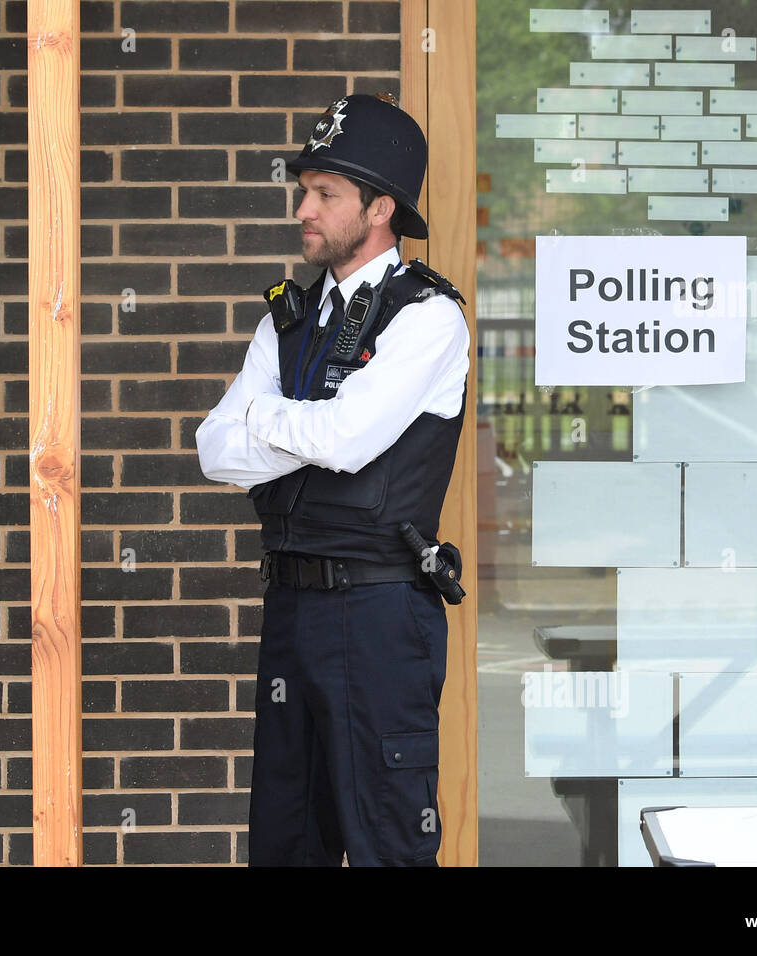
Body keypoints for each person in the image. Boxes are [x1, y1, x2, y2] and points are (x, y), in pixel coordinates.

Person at [196, 93, 471, 866]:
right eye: (303, 189)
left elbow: (346, 441)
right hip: (290, 607)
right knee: (286, 843)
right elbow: (214, 449)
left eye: (325, 193)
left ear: (380, 208)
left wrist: (273, 420)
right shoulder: (284, 321)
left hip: (380, 615)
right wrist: (302, 427)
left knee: (386, 842)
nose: (303, 209)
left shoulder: (428, 318)